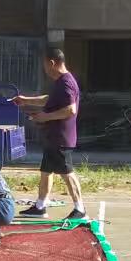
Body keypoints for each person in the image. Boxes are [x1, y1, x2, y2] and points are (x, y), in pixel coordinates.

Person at [12, 46, 85, 220]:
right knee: (46, 172)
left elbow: (70, 110)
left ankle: (80, 209)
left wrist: (45, 117)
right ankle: (40, 206)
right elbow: (48, 99)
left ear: (52, 63)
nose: (44, 69)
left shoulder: (66, 82)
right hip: (53, 137)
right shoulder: (60, 82)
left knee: (67, 173)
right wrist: (26, 100)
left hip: (61, 138)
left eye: (45, 65)